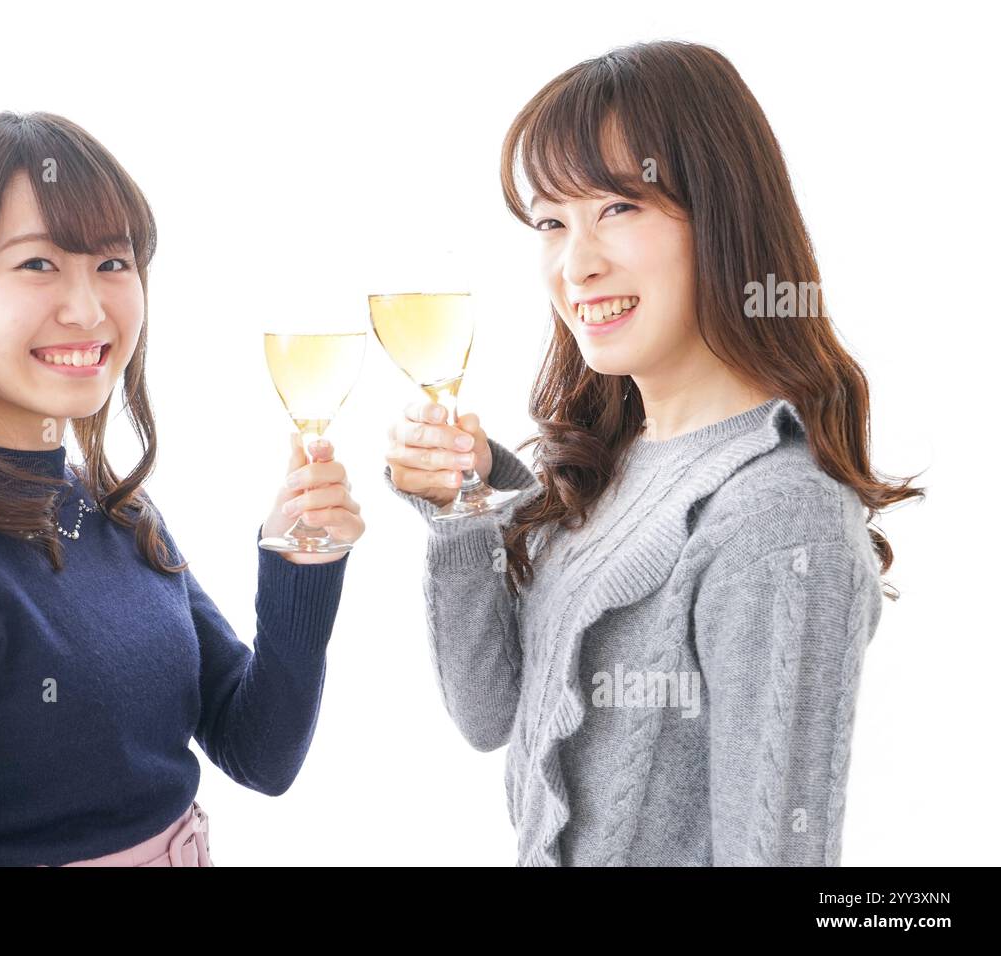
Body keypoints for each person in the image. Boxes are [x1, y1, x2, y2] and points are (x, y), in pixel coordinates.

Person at [383, 40, 924, 866]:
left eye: (620, 209)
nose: (577, 265)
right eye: (552, 222)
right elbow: (491, 711)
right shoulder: (626, 456)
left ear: (725, 213)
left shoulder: (778, 519)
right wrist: (467, 506)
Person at [0, 111, 363, 866]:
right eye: (37, 265)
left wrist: (302, 559)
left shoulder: (108, 507)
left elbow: (261, 750)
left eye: (113, 263)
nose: (89, 310)